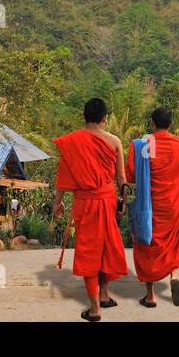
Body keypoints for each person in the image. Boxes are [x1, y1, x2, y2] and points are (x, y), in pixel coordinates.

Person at [53, 97, 128, 321]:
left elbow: (63, 177)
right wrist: (123, 202)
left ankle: (97, 306)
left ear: (84, 117)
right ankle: (101, 298)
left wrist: (57, 202)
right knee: (106, 248)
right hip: (107, 201)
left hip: (85, 203)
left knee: (89, 251)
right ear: (105, 118)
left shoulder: (73, 141)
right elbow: (121, 177)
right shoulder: (114, 141)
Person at [126, 106, 179, 307]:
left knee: (146, 245)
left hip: (148, 206)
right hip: (172, 205)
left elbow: (130, 176)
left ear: (152, 124)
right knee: (173, 242)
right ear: (171, 124)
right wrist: (177, 198)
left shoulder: (141, 145)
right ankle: (174, 276)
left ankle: (150, 296)